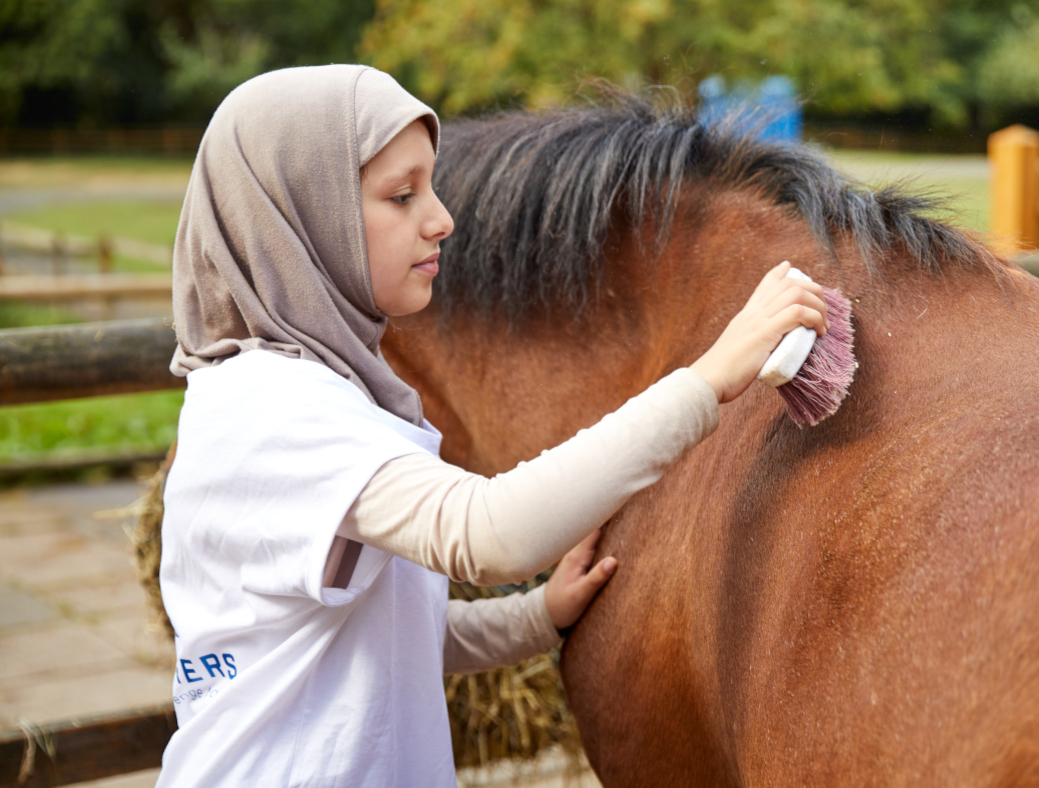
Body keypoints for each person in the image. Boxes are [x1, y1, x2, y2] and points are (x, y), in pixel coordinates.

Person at [156, 65, 830, 787]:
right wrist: (709, 379)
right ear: (301, 225)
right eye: (401, 196)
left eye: (432, 186)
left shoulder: (307, 389)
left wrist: (538, 617)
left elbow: (387, 632)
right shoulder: (270, 413)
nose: (442, 218)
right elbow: (489, 536)